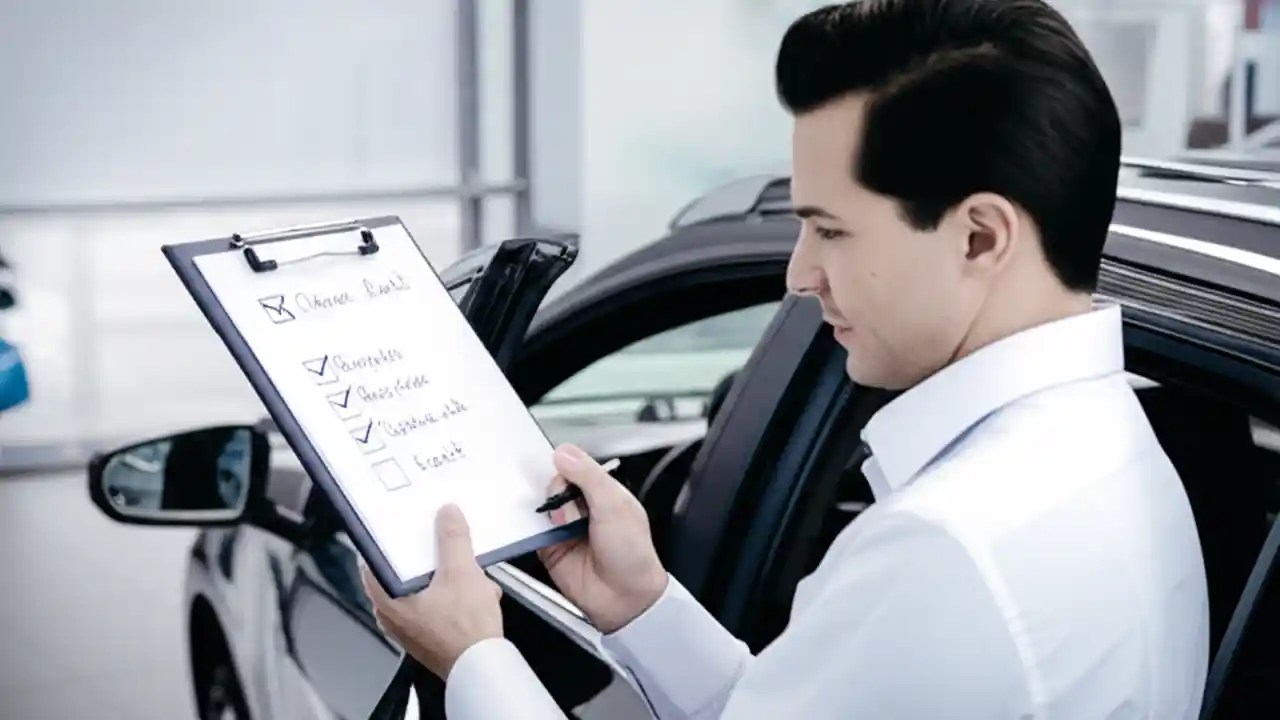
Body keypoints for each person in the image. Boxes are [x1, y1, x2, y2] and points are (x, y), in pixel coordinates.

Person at [360, 1, 1211, 717]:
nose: (800, 276)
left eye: (831, 229)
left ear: (980, 236)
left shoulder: (947, 546)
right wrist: (642, 605)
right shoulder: (1120, 453)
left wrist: (472, 657)